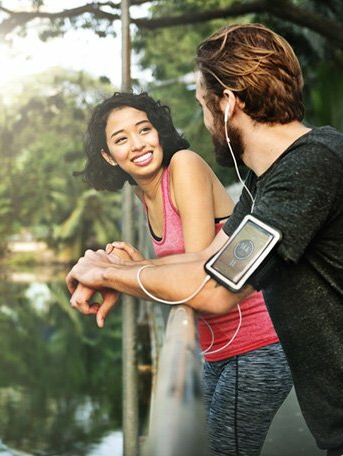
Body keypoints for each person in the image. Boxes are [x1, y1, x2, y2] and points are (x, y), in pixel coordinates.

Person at [67, 23, 343, 456]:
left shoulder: (311, 167)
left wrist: (106, 272)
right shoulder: (264, 180)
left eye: (204, 105)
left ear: (228, 104)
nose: (204, 119)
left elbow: (214, 290)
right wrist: (116, 271)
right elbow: (210, 261)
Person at [74, 92, 293, 455]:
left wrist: (118, 273)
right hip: (216, 349)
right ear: (108, 156)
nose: (138, 143)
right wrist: (128, 269)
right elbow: (177, 268)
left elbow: (199, 272)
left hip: (258, 345)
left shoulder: (184, 166)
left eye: (144, 129)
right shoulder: (143, 196)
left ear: (159, 131)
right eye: (121, 138)